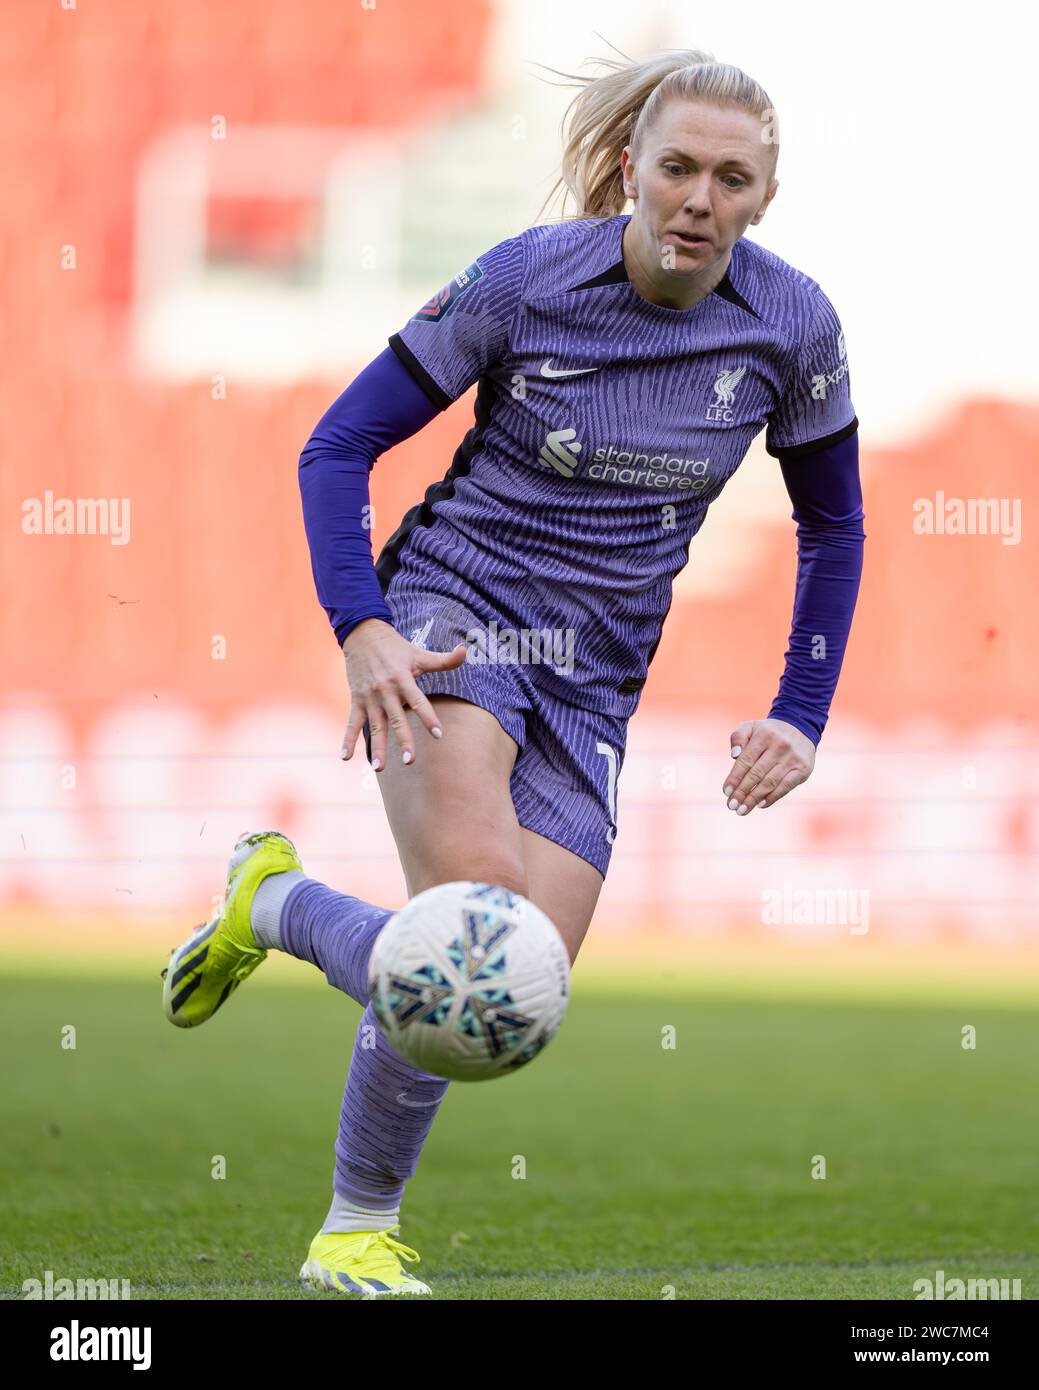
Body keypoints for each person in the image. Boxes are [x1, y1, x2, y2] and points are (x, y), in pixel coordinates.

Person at [162, 47, 866, 1297]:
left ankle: (270, 903)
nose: (700, 198)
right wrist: (361, 624)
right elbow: (338, 445)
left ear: (764, 197)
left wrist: (799, 713)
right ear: (631, 171)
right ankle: (352, 1232)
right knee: (478, 927)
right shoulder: (524, 280)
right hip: (459, 615)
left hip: (595, 682)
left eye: (732, 179)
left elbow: (833, 524)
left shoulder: (792, 324)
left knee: (513, 1000)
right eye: (679, 168)